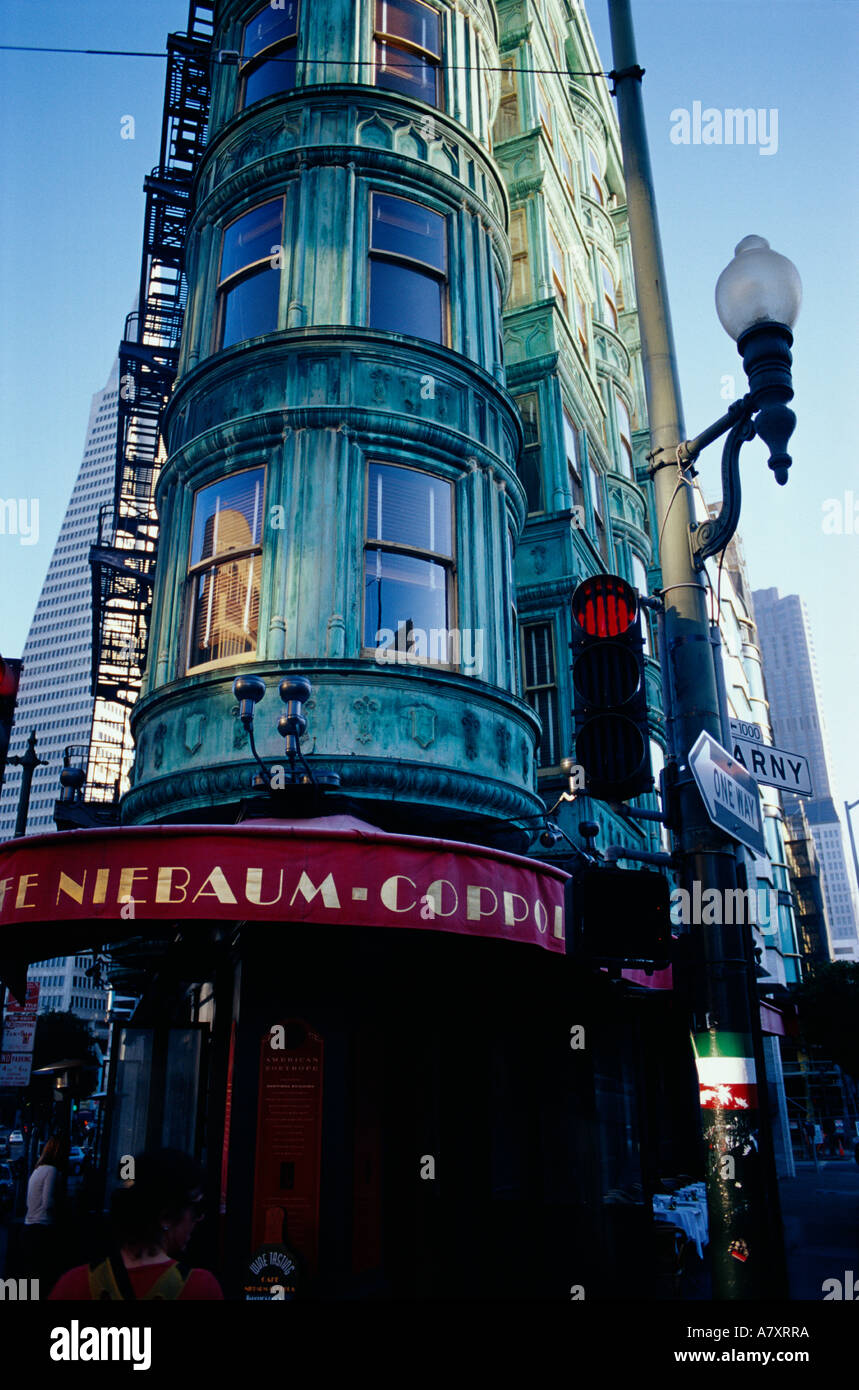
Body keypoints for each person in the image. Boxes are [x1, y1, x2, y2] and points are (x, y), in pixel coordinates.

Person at [49, 1148, 223, 1300]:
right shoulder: (201, 1287)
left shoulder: (73, 1284)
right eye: (197, 1208)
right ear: (166, 1216)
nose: (199, 1218)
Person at [24, 1135, 68, 1287]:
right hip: (43, 1227)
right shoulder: (52, 1171)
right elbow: (48, 1202)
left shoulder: (37, 1170)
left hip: (30, 1225)